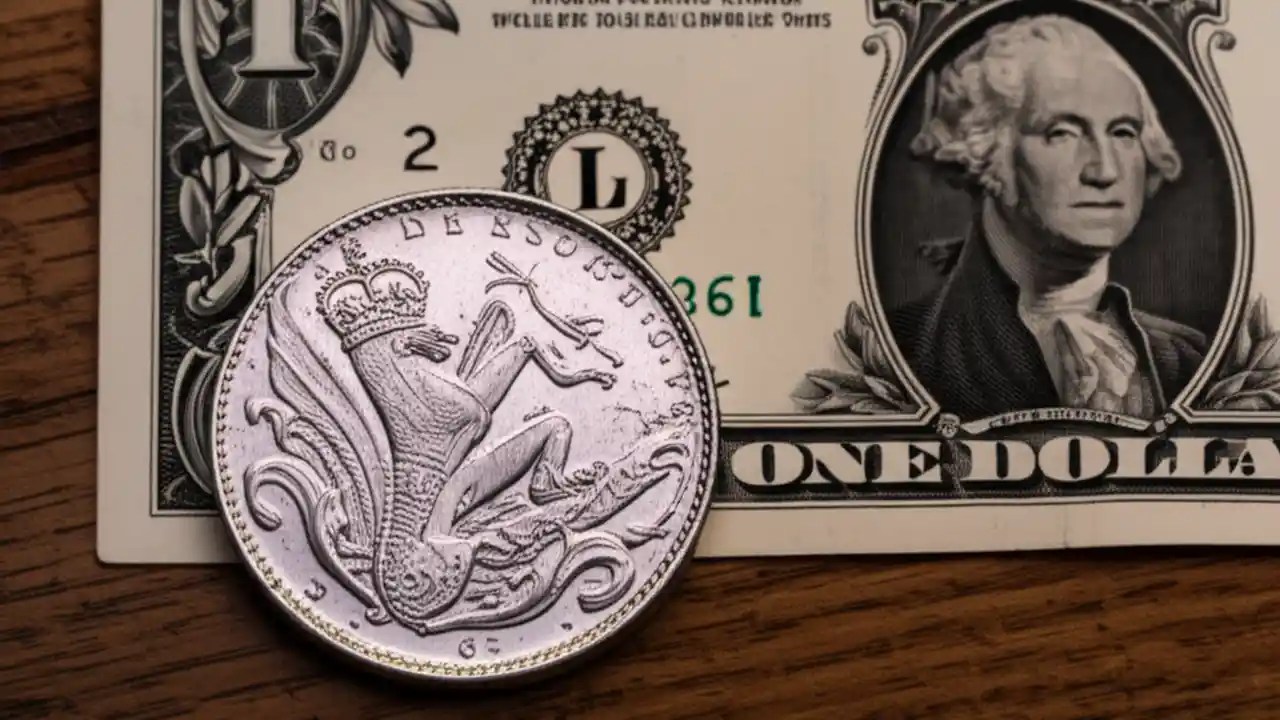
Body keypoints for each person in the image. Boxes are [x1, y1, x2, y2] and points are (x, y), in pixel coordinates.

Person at [886, 13, 1208, 421]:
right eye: (1062, 133)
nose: (1104, 171)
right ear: (987, 152)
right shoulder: (902, 351)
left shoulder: (1188, 358)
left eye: (1123, 133)